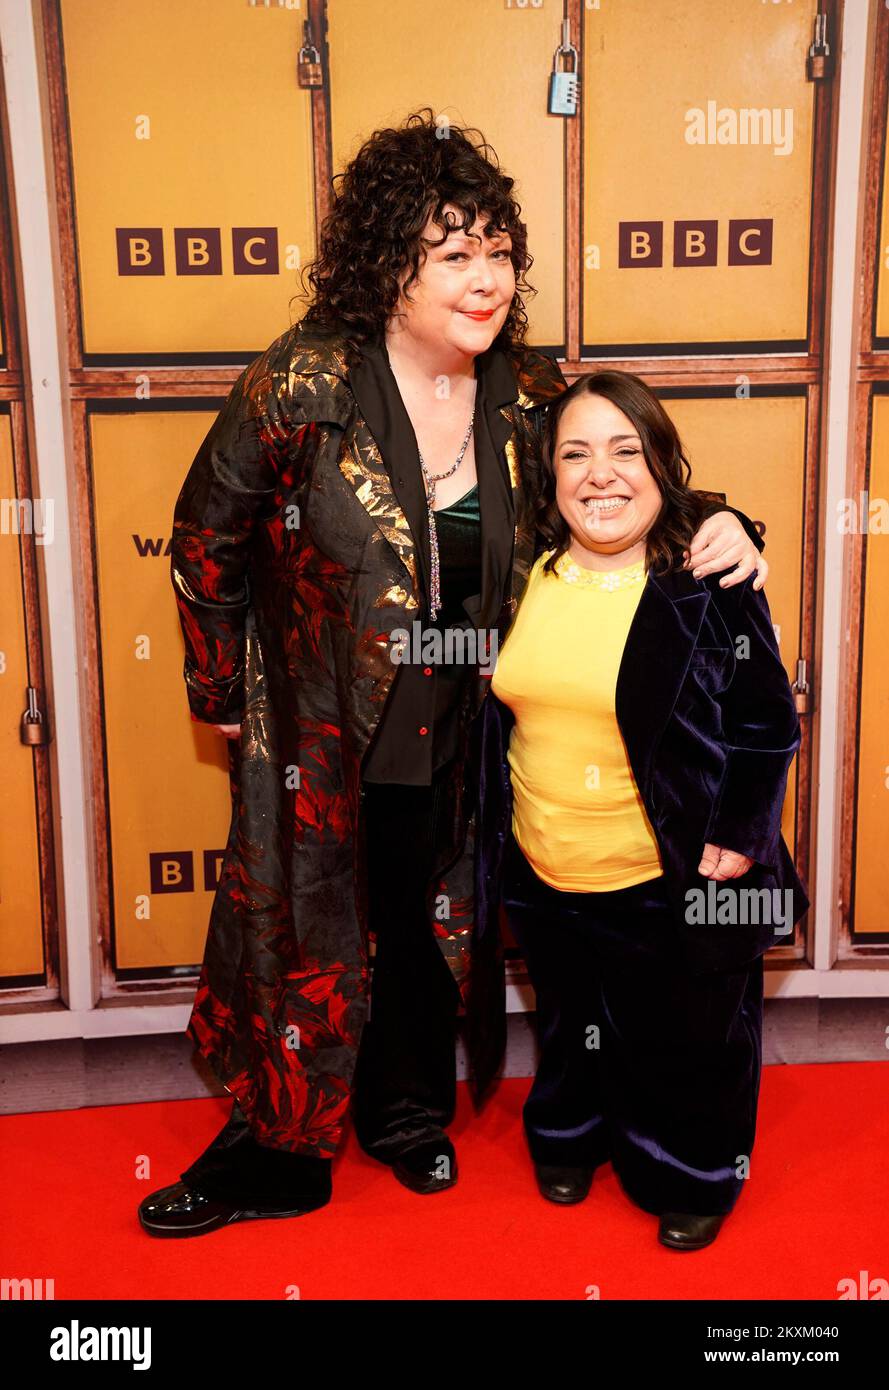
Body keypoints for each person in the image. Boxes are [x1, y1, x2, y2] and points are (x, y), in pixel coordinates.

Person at [139, 111, 766, 1238]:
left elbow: (622, 477)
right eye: (452, 255)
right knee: (314, 934)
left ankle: (406, 1116)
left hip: (473, 732)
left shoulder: (527, 388)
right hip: (327, 730)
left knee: (433, 933)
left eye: (496, 252)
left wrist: (731, 526)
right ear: (391, 263)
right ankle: (278, 1147)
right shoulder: (304, 378)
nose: (485, 280)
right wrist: (221, 698)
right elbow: (202, 542)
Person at [473, 369, 807, 1252]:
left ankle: (691, 1169)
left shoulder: (707, 578)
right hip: (542, 867)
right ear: (547, 476)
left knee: (690, 1041)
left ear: (661, 469)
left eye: (626, 451)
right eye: (574, 453)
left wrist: (737, 837)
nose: (600, 473)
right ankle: (572, 1138)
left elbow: (766, 722)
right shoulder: (520, 575)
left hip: (672, 873)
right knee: (567, 1020)